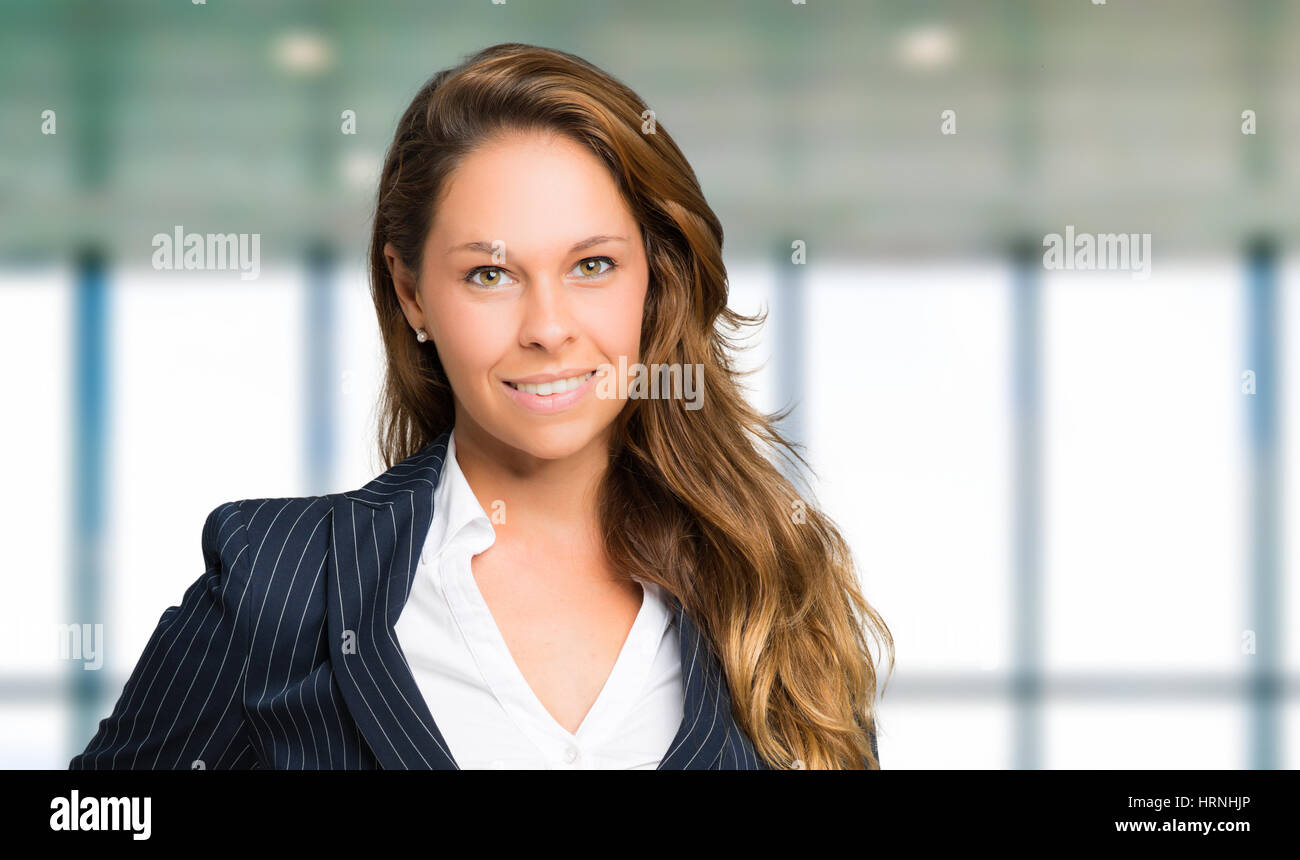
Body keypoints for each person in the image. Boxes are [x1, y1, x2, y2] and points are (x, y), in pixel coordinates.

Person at [69, 42, 892, 770]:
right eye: (489, 275)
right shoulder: (282, 582)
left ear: (655, 277)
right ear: (411, 292)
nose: (548, 329)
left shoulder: (776, 585)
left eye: (593, 265)